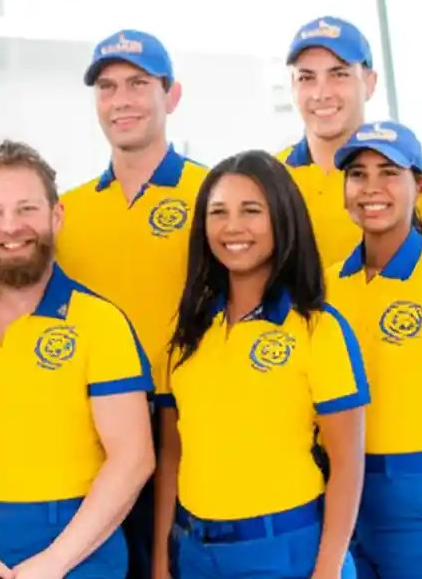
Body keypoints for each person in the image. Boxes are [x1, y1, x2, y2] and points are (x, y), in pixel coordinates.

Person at [0, 140, 155, 578]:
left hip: (78, 547)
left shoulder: (100, 322)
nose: (11, 227)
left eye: (26, 209)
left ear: (55, 216)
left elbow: (134, 458)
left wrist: (51, 565)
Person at [151, 150, 369, 578]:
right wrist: (161, 562)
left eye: (251, 211)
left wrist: (327, 571)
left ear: (282, 219)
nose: (233, 227)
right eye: (218, 212)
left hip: (285, 551)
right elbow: (172, 457)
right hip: (196, 554)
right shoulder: (187, 333)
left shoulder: (318, 328)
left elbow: (348, 463)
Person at [56, 29, 208, 579]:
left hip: (190, 428)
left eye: (138, 84)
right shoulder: (65, 213)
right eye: (108, 86)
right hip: (93, 433)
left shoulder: (214, 194)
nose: (121, 99)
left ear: (172, 96)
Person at [323, 122, 422, 578]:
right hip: (338, 494)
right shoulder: (324, 286)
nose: (371, 188)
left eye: (389, 172)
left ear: (418, 184)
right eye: (357, 174)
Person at [277, 16, 422, 261]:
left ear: (369, 83)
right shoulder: (269, 181)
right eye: (307, 78)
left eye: (338, 74)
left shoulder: (416, 177)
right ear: (292, 86)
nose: (322, 93)